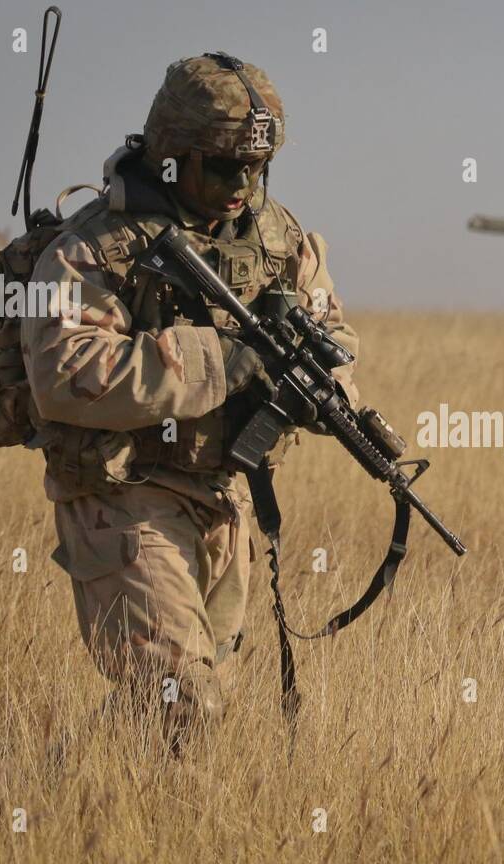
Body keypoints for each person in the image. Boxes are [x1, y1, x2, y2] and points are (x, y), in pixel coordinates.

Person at [20, 52, 359, 750]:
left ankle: (29, 791)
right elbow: (64, 371)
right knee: (184, 705)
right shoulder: (95, 248)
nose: (243, 185)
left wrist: (323, 392)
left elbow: (334, 335)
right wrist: (229, 358)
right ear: (173, 154)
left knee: (170, 709)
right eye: (224, 166)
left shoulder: (280, 239)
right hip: (124, 492)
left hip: (225, 497)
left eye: (255, 169)